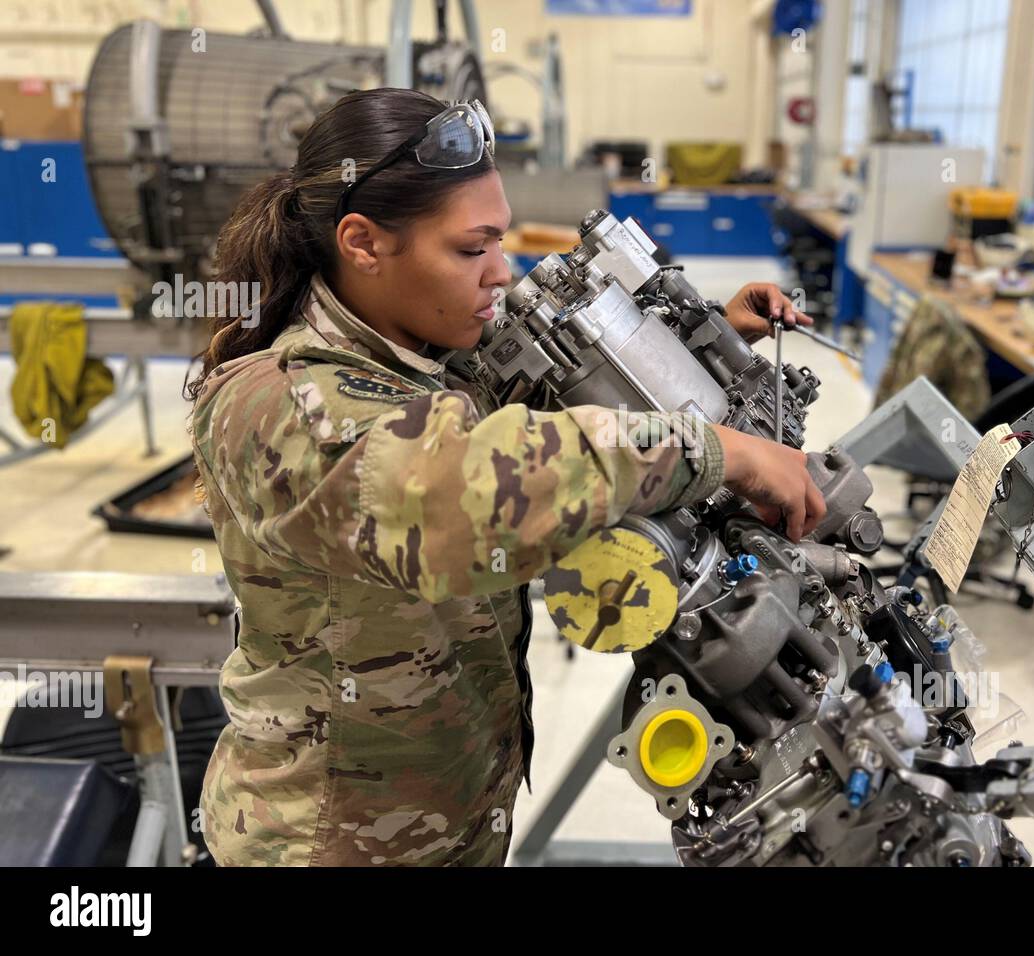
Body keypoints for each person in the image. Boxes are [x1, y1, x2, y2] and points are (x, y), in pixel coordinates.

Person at [188, 87, 825, 866]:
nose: (501, 272)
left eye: (500, 242)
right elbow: (465, 491)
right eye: (470, 249)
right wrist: (721, 451)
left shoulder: (426, 363)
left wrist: (703, 341)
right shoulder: (277, 402)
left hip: (452, 825)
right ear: (362, 242)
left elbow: (540, 414)